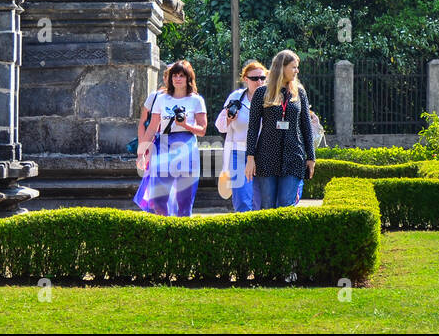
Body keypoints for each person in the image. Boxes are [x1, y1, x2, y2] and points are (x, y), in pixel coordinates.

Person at [134, 60, 208, 217]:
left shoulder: (196, 100)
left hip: (186, 147)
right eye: (175, 75)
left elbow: (202, 130)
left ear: (188, 78)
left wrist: (185, 125)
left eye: (181, 75)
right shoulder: (162, 99)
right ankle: (165, 227)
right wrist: (141, 153)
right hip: (164, 145)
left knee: (184, 201)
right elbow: (152, 128)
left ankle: (182, 229)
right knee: (158, 198)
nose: (177, 79)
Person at [245, 50, 316, 209]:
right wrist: (250, 158)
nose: (297, 71)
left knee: (286, 205)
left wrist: (311, 157)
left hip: (294, 156)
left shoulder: (299, 93)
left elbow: (306, 126)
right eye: (293, 67)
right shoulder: (261, 92)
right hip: (266, 156)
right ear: (281, 67)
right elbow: (253, 128)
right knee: (267, 205)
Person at [215, 59, 266, 212]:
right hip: (238, 153)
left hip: (262, 153)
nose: (259, 82)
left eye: (262, 78)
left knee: (260, 200)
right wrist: (229, 119)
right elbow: (220, 126)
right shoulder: (236, 97)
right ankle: (243, 226)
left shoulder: (270, 98)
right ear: (245, 79)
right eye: (254, 78)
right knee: (242, 199)